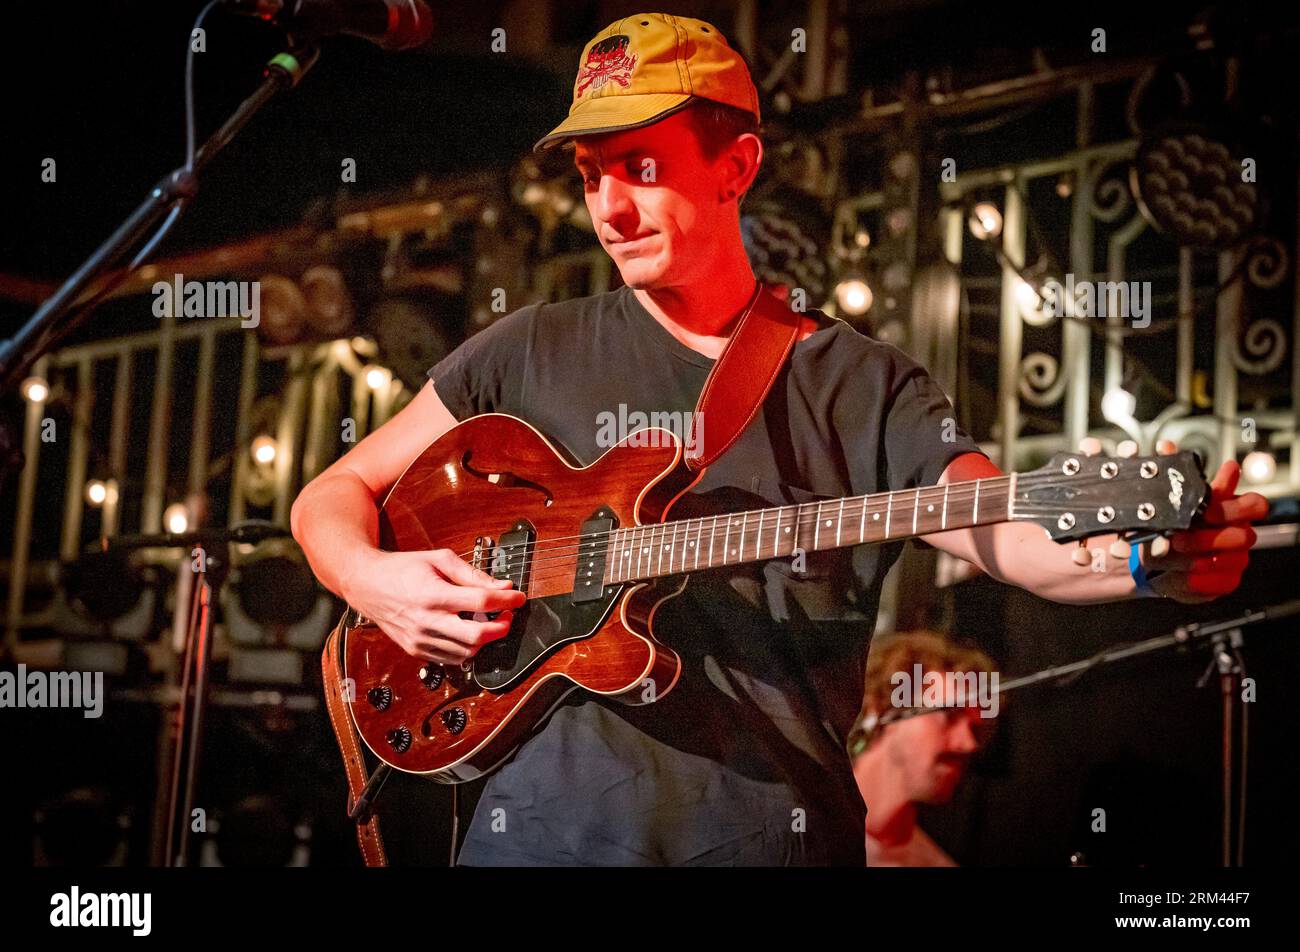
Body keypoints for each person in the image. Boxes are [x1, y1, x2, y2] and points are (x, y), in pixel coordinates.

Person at [290, 12, 1267, 866]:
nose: (610, 210)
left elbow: (1005, 533)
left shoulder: (865, 383)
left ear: (737, 166)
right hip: (539, 835)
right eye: (591, 177)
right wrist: (373, 579)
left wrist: (1143, 563)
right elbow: (329, 497)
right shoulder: (531, 345)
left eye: (639, 168)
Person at [850, 631, 999, 866]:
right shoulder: (792, 828)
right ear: (881, 709)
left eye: (975, 729)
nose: (968, 744)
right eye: (950, 715)